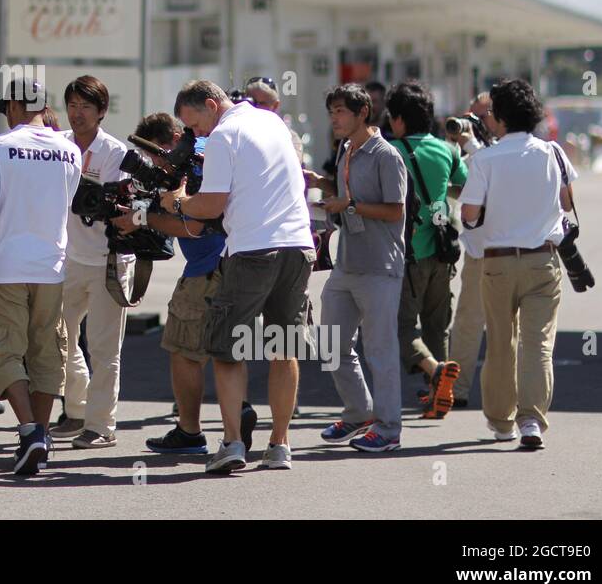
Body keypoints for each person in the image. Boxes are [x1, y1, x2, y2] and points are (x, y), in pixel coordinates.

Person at [161, 79, 315, 474]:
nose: (195, 135)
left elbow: (211, 205)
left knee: (229, 350)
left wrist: (177, 201)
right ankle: (280, 445)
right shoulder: (272, 122)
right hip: (298, 246)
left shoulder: (223, 136)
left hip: (251, 250)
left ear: (212, 105)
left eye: (194, 124)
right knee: (283, 347)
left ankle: (231, 443)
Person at [112, 113, 258, 455]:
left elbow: (193, 225)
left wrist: (142, 218)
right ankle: (240, 411)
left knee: (184, 351)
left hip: (206, 269)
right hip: (237, 262)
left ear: (175, 139)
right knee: (227, 348)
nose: (157, 167)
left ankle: (190, 431)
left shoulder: (193, 162)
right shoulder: (215, 152)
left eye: (158, 157)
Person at [460, 79, 578, 449]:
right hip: (542, 260)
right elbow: (566, 201)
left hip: (496, 263)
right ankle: (531, 421)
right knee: (538, 344)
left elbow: (468, 214)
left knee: (499, 342)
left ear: (501, 117)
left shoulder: (483, 159)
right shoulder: (553, 153)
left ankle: (502, 421)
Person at [0, 79, 82, 476]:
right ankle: (40, 434)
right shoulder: (70, 150)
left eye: (7, 108)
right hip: (51, 266)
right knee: (47, 350)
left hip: (5, 266)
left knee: (3, 349)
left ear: (16, 107)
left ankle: (29, 430)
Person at [305, 84, 408, 452]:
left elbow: (395, 210)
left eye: (340, 112)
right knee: (331, 343)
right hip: (347, 262)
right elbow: (350, 196)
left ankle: (388, 429)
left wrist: (348, 206)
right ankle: (358, 412)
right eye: (331, 111)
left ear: (362, 113)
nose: (334, 118)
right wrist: (323, 184)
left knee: (380, 350)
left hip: (380, 265)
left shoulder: (386, 155)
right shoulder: (347, 148)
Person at [51, 76, 136, 450]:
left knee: (103, 349)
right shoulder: (58, 145)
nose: (77, 113)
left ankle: (101, 425)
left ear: (102, 111)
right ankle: (78, 410)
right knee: (57, 340)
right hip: (66, 259)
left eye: (86, 106)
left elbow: (125, 208)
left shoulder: (115, 153)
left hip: (109, 261)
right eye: (72, 105)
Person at [385, 81, 466, 418]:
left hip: (408, 252)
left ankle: (435, 372)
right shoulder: (447, 150)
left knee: (400, 327)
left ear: (399, 119)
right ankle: (438, 397)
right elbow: (462, 186)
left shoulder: (392, 151)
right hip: (442, 252)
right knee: (437, 326)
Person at [446, 93, 495, 408]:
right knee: (466, 321)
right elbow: (460, 191)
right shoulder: (468, 154)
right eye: (469, 116)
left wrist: (472, 146)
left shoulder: (503, 151)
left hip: (505, 252)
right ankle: (456, 389)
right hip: (478, 253)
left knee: (507, 328)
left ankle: (508, 395)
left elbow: (493, 181)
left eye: (478, 118)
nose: (471, 124)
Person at [243, 76, 305, 167]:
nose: (255, 107)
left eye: (261, 103)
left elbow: (290, 165)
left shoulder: (289, 136)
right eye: (251, 102)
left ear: (275, 105)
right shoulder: (236, 131)